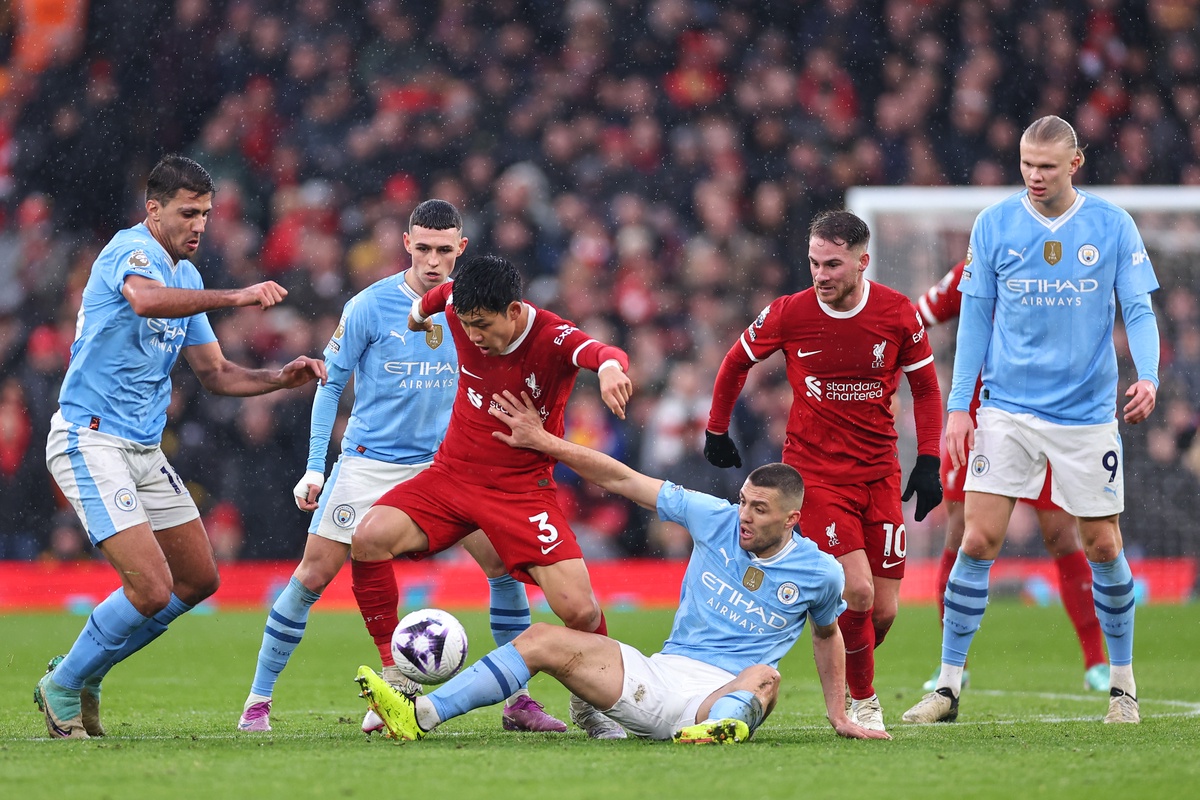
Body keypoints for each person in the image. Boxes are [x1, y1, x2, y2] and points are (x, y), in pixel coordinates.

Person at [353, 388, 890, 744]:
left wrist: (840, 713)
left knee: (765, 676)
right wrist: (546, 443)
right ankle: (419, 715)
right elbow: (625, 480)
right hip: (657, 678)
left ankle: (717, 730)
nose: (743, 515)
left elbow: (828, 635)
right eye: (745, 500)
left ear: (793, 518)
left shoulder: (820, 573)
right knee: (541, 638)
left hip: (719, 695)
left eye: (759, 509)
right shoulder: (716, 518)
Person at [236, 200, 565, 734]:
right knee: (312, 576)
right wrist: (316, 467)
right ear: (407, 244)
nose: (433, 260)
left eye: (444, 250)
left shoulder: (474, 310)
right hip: (370, 463)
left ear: (461, 249)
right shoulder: (369, 306)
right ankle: (257, 702)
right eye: (424, 248)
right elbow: (330, 383)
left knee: (504, 569)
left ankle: (518, 702)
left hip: (447, 465)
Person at [34, 155, 328, 739]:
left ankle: (85, 671)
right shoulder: (129, 252)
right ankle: (64, 682)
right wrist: (238, 297)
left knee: (198, 580)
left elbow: (215, 374)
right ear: (154, 210)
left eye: (206, 214)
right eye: (188, 213)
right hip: (90, 438)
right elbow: (144, 300)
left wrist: (277, 379)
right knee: (151, 586)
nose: (200, 225)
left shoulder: (188, 276)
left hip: (142, 449)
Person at [902, 116, 1160, 726]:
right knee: (977, 539)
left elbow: (1139, 310)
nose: (1033, 176)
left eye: (1046, 166)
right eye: (1025, 164)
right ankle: (947, 686)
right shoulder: (994, 225)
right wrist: (960, 409)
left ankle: (1122, 686)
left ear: (1075, 163)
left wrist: (1147, 374)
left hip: (1086, 416)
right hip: (1007, 412)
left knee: (1100, 543)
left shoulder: (1111, 225)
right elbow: (974, 323)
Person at [349, 253, 635, 738]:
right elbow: (438, 296)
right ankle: (397, 679)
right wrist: (418, 316)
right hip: (453, 476)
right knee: (368, 538)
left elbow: (601, 352)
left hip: (521, 491)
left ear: (514, 310)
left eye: (483, 325)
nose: (474, 335)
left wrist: (610, 371)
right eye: (467, 325)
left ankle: (593, 703)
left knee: (580, 610)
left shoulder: (549, 336)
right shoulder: (459, 303)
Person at [704, 210, 944, 733]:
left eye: (833, 264)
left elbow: (925, 389)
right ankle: (862, 701)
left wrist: (929, 459)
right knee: (856, 590)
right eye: (814, 263)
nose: (821, 275)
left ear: (863, 261)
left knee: (881, 611)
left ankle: (829, 646)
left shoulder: (898, 314)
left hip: (879, 474)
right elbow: (735, 362)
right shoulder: (790, 313)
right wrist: (717, 429)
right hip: (817, 476)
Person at [916, 260, 1109, 694]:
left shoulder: (1060, 271)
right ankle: (953, 666)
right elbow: (916, 317)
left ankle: (1096, 662)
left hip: (1049, 416)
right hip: (982, 416)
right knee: (964, 533)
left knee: (1061, 535)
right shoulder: (978, 265)